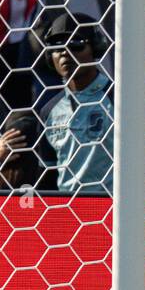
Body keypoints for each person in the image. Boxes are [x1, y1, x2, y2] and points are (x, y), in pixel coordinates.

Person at [37, 13, 113, 194]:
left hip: (115, 213)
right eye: (57, 46)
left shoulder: (120, 100)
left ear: (96, 47)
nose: (65, 52)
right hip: (68, 213)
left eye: (75, 43)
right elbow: (46, 177)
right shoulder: (49, 111)